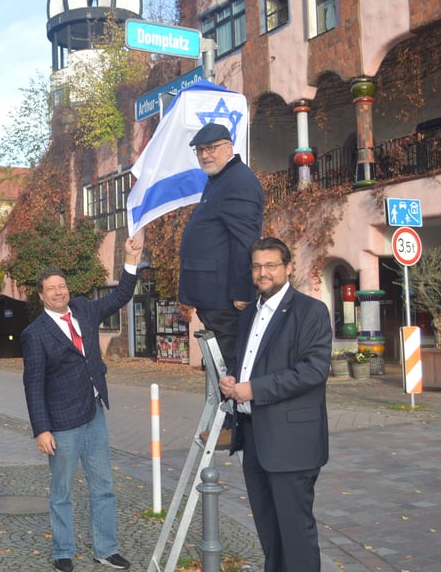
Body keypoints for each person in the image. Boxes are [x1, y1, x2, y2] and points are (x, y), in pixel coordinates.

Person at [22, 232, 145, 572]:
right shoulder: (35, 334)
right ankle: (63, 551)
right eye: (52, 288)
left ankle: (106, 548)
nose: (59, 291)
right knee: (61, 491)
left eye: (62, 285)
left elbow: (121, 295)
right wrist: (41, 429)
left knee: (103, 485)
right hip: (62, 424)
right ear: (41, 295)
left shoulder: (83, 309)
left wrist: (130, 259)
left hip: (94, 414)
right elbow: (33, 385)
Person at [218, 237, 332, 572]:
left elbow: (313, 370)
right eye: (257, 266)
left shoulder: (311, 311)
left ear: (288, 268)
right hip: (254, 438)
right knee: (269, 532)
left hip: (292, 442)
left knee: (296, 534)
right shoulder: (250, 312)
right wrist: (231, 378)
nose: (262, 272)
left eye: (270, 265)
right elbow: (247, 362)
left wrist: (253, 389)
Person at [178, 122, 264, 372]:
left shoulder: (238, 181)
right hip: (214, 295)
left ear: (229, 148)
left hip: (226, 300)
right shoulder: (221, 179)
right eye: (200, 150)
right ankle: (232, 409)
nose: (205, 155)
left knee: (233, 369)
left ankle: (237, 412)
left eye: (212, 148)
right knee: (224, 370)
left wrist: (242, 291)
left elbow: (245, 241)